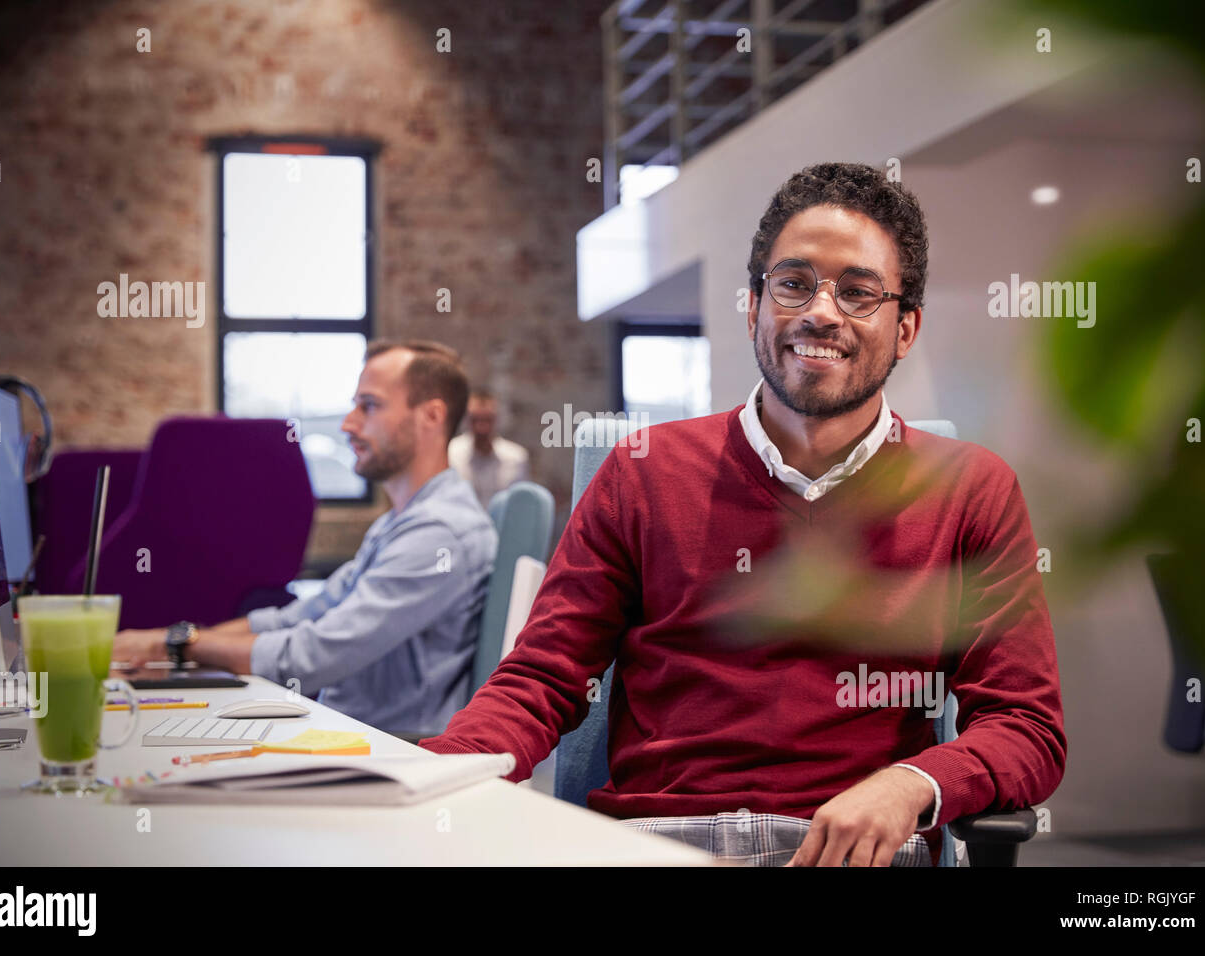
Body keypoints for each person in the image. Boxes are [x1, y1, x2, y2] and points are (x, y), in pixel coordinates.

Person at [420, 162, 1066, 867]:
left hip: (854, 852)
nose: (820, 312)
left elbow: (1025, 724)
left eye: (857, 292)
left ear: (905, 327)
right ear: (754, 305)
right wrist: (438, 774)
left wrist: (911, 784)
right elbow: (543, 678)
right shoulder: (643, 472)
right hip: (655, 846)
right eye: (793, 284)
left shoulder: (969, 489)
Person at [113, 340, 498, 736]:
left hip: (387, 753)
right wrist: (171, 640)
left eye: (369, 405)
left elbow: (313, 655)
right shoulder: (400, 523)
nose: (348, 424)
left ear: (431, 416)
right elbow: (299, 618)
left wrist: (173, 648)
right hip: (351, 735)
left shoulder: (438, 534)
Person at [447, 387, 530, 510]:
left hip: (502, 528)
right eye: (475, 420)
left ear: (498, 419)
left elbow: (521, 506)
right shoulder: (450, 454)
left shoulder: (517, 458)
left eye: (488, 420)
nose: (481, 427)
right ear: (466, 420)